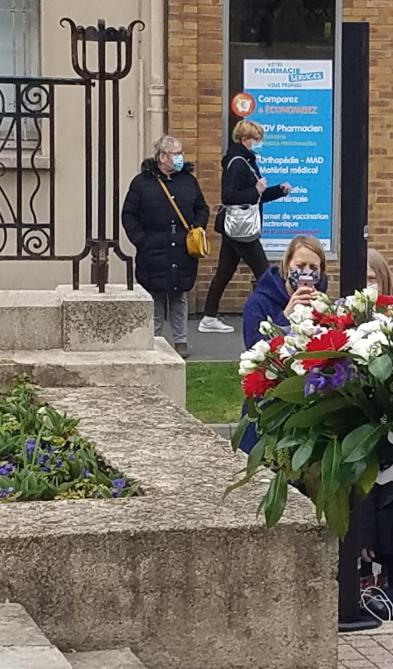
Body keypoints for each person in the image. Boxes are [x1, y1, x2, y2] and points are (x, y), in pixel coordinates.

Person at [199, 119, 293, 334]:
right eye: (256, 139)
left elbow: (255, 197)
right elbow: (229, 196)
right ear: (245, 140)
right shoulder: (238, 163)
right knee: (264, 272)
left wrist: (279, 190)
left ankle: (209, 316)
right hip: (242, 229)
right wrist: (257, 190)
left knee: (224, 271)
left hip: (237, 228)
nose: (260, 143)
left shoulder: (247, 161)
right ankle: (281, 314)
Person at [237, 235, 328, 454]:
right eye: (300, 265)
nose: (306, 273)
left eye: (313, 267)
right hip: (268, 397)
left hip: (306, 397)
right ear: (287, 266)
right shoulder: (259, 302)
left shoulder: (323, 302)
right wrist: (285, 316)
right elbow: (255, 350)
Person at [121, 135, 210, 359]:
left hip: (182, 248)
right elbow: (129, 215)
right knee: (156, 297)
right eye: (176, 154)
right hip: (154, 249)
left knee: (179, 297)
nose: (180, 158)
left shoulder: (188, 181)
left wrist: (196, 228)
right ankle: (155, 339)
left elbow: (202, 208)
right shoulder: (142, 183)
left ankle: (181, 341)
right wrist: (142, 240)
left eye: (181, 153)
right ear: (162, 157)